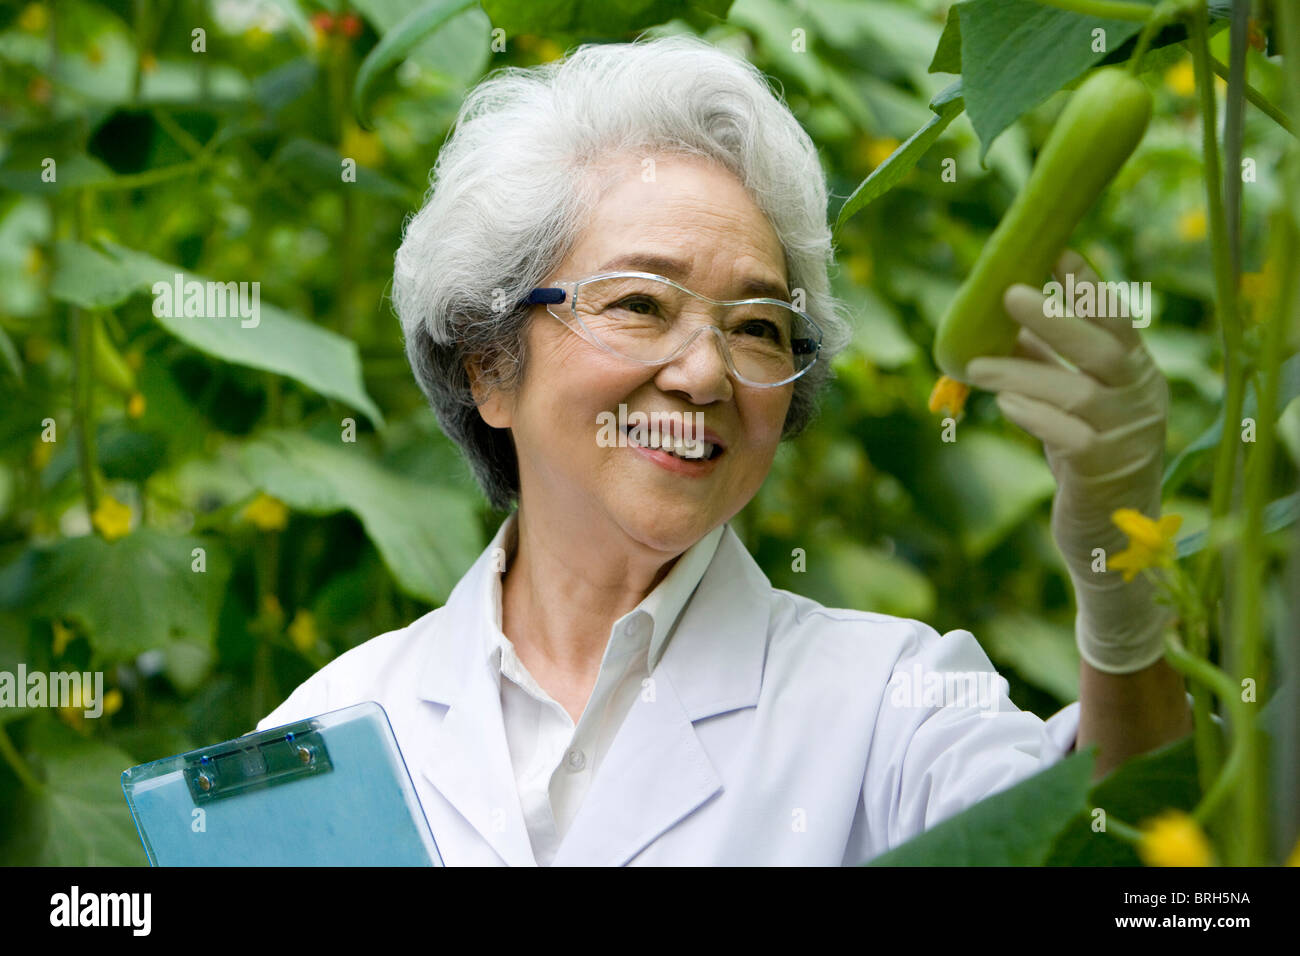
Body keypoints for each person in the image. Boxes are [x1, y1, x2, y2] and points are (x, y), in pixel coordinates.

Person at [257, 34, 1193, 866]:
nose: (705, 373)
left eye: (756, 327)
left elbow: (1136, 876)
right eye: (639, 303)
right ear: (491, 366)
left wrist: (1122, 599)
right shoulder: (319, 738)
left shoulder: (893, 705)